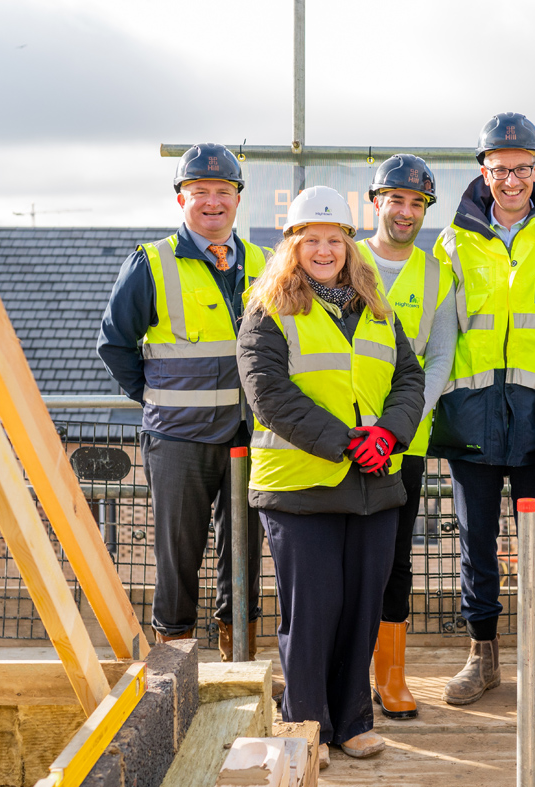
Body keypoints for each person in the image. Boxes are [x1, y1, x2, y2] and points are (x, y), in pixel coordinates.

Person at [237, 185, 424, 764]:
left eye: (334, 239)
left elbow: (409, 381)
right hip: (301, 485)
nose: (324, 250)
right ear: (291, 245)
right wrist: (347, 445)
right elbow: (269, 395)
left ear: (349, 245)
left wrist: (386, 437)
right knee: (312, 612)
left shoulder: (375, 308)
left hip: (374, 484)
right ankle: (305, 728)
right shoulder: (266, 310)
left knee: (362, 609)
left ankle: (351, 721)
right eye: (311, 239)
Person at [430, 112, 535, 712]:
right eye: (499, 168)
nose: (510, 180)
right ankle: (482, 656)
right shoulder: (452, 242)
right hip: (470, 421)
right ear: (483, 171)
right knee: (476, 544)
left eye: (521, 168)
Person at [97, 143, 267, 661]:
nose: (212, 202)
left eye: (223, 192)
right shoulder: (151, 263)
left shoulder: (264, 262)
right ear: (180, 199)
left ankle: (238, 661)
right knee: (178, 556)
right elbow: (115, 343)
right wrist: (154, 399)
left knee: (244, 555)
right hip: (177, 438)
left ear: (238, 199)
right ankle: (175, 668)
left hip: (247, 435)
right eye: (200, 192)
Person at [356, 155, 456, 720]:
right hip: (342, 436)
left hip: (405, 441)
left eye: (417, 202)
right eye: (395, 199)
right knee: (344, 555)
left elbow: (439, 357)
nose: (406, 211)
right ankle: (345, 672)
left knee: (394, 559)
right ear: (376, 202)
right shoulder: (344, 260)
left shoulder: (437, 274)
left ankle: (391, 677)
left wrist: (402, 423)